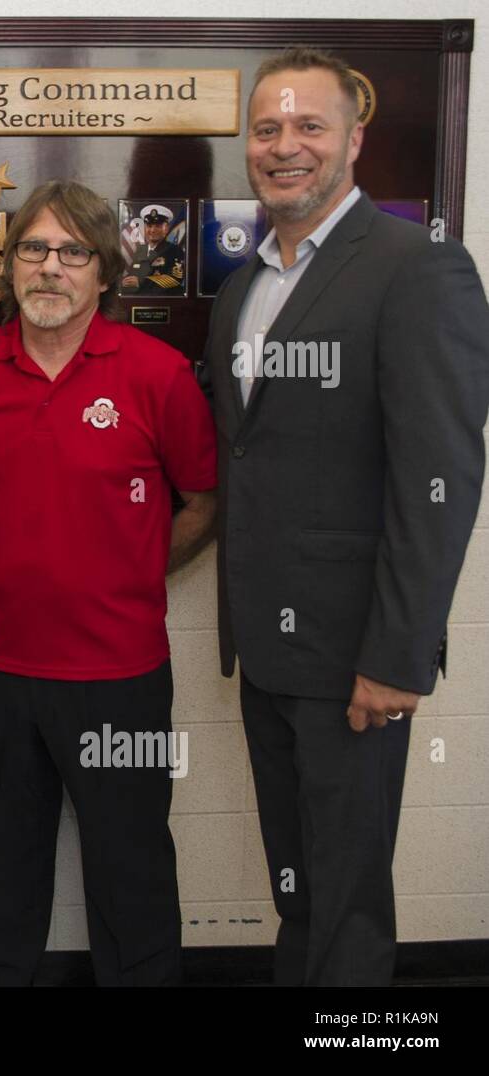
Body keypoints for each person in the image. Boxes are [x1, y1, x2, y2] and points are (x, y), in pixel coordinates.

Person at [200, 46, 489, 987]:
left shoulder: (419, 269)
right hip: (268, 652)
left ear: (355, 138)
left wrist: (397, 658)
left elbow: (438, 479)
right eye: (268, 128)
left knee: (350, 899)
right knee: (301, 888)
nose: (286, 146)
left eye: (310, 126)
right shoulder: (242, 290)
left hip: (357, 656)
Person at [0, 180, 217, 987]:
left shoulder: (158, 375)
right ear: (9, 264)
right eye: (32, 249)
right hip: (0, 677)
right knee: (5, 877)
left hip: (122, 678)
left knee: (133, 879)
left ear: (104, 272)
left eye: (72, 252)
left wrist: (124, 570)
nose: (49, 268)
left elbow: (204, 503)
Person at [121, 204, 185, 294]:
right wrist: (125, 282)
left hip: (165, 303)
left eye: (157, 226)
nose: (152, 230)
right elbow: (133, 275)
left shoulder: (175, 251)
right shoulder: (140, 250)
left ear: (166, 228)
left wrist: (141, 282)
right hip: (137, 302)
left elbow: (174, 279)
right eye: (149, 226)